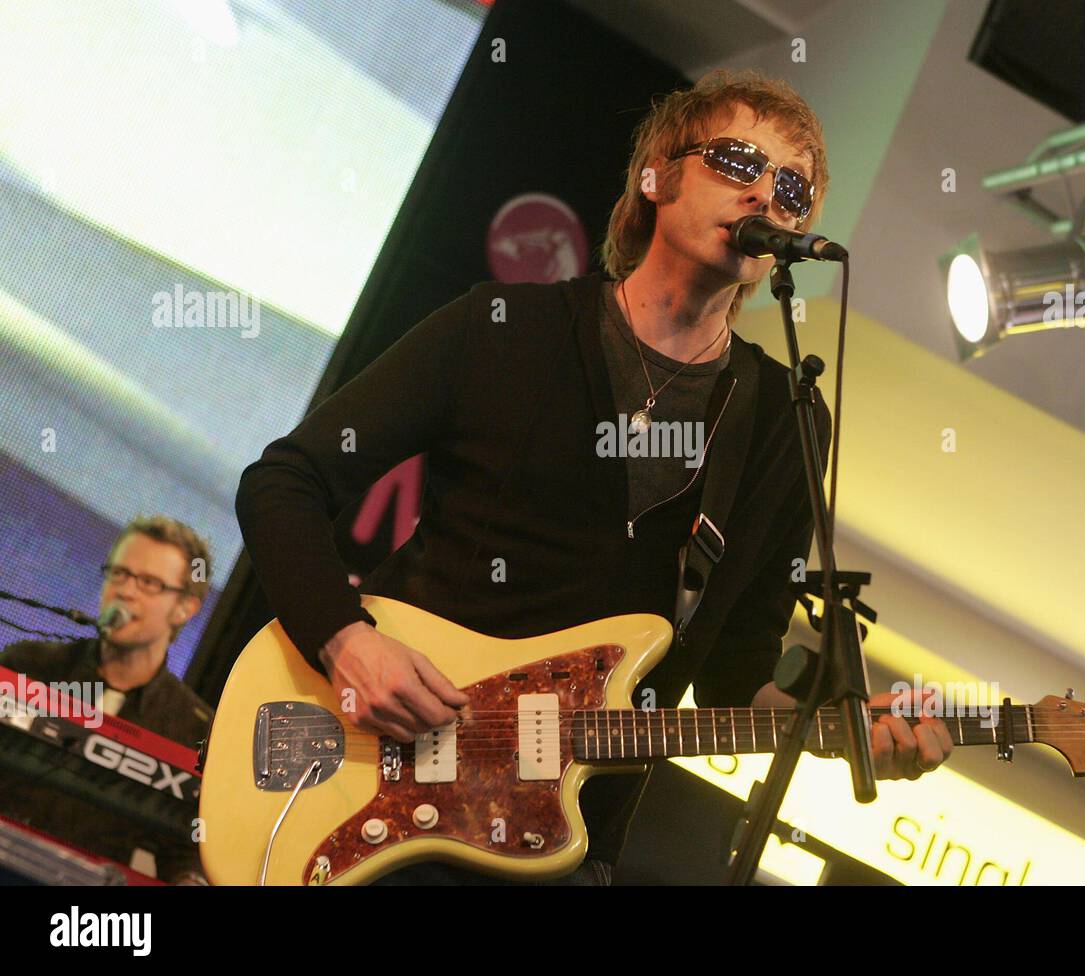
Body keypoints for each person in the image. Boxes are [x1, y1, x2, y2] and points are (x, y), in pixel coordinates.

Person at [235, 68, 953, 885]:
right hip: (382, 780)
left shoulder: (784, 420)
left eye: (792, 186)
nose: (766, 198)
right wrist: (346, 640)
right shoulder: (504, 331)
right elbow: (284, 482)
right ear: (656, 176)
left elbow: (736, 672)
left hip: (564, 847)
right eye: (736, 163)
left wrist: (852, 726)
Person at [0, 515, 214, 884]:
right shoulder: (27, 665)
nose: (124, 591)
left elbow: (187, 850)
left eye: (148, 582)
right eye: (118, 573)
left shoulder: (194, 728)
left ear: (184, 608)